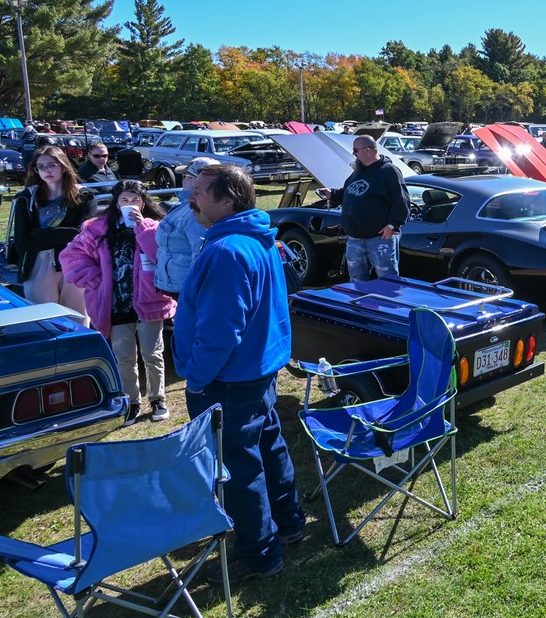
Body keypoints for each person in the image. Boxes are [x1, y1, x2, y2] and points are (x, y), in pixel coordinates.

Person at [174, 164, 305, 582]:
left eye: (198, 192)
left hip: (229, 378)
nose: (191, 198)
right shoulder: (255, 238)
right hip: (257, 369)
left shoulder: (229, 249)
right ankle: (290, 524)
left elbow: (220, 330)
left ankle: (260, 554)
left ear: (227, 200)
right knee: (268, 447)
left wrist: (196, 378)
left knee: (239, 467)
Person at [60, 180, 175, 424]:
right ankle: (131, 401)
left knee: (153, 354)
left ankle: (157, 398)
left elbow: (161, 256)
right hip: (114, 303)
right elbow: (71, 256)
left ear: (144, 203)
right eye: (125, 200)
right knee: (124, 356)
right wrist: (94, 279)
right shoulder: (97, 229)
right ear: (116, 203)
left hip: (149, 300)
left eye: (135, 200)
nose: (130, 204)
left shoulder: (156, 228)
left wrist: (142, 227)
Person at [11, 146, 96, 320]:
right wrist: (60, 236)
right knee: (45, 321)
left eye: (52, 165)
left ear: (63, 166)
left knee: (77, 320)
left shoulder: (85, 196)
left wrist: (38, 233)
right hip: (37, 263)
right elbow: (22, 241)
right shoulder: (25, 198)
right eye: (41, 167)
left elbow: (82, 236)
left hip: (75, 262)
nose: (47, 170)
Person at [317, 136, 409, 281]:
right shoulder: (358, 171)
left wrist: (392, 225)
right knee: (356, 281)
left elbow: (401, 201)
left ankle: (388, 304)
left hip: (380, 239)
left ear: (367, 150)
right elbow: (348, 192)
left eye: (355, 150)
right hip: (355, 239)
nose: (353, 154)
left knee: (388, 282)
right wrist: (332, 194)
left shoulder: (389, 171)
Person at [154, 157, 221, 296]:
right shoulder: (186, 204)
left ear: (196, 181)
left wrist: (193, 293)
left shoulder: (195, 211)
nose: (183, 180)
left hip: (186, 288)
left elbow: (200, 253)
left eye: (186, 176)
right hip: (178, 285)